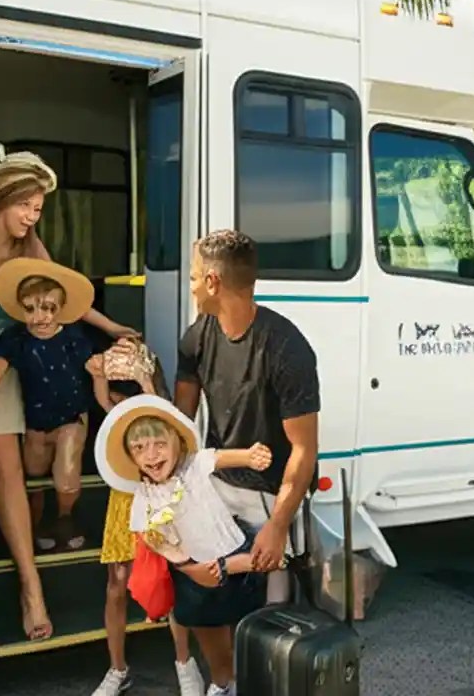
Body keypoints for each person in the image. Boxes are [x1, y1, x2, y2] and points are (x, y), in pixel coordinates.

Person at [0, 151, 138, 641]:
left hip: (12, 360)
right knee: (8, 464)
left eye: (39, 208)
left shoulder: (29, 247)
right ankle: (33, 573)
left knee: (8, 469)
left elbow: (64, 295)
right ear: (2, 197)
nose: (30, 216)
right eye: (25, 204)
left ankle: (32, 589)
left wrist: (110, 326)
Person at [173, 229, 320, 606]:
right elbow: (179, 425)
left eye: (193, 277)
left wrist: (278, 525)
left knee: (271, 614)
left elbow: (304, 450)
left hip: (268, 496)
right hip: (217, 485)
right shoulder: (196, 337)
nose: (190, 287)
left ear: (212, 281)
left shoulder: (287, 348)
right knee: (211, 602)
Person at [99, 394, 277, 696]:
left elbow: (218, 457)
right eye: (139, 448)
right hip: (195, 571)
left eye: (159, 445)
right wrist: (191, 569)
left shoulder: (193, 465)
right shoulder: (142, 498)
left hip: (232, 549)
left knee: (248, 628)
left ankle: (246, 679)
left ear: (176, 444)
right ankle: (222, 683)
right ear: (131, 457)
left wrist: (248, 456)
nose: (151, 455)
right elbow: (155, 542)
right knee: (211, 635)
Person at [87, 339, 206, 696]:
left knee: (170, 580)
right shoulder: (120, 411)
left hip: (160, 496)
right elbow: (103, 399)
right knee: (116, 583)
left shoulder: (160, 409)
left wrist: (146, 380)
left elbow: (163, 420)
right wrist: (99, 371)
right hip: (124, 497)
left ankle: (185, 663)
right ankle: (117, 668)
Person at [0, 257, 98, 553]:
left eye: (48, 308)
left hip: (72, 416)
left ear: (61, 309)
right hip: (36, 420)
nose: (40, 317)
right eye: (31, 308)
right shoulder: (15, 339)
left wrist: (107, 399)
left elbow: (95, 370)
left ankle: (65, 517)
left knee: (67, 472)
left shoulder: (73, 337)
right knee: (34, 471)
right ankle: (39, 520)